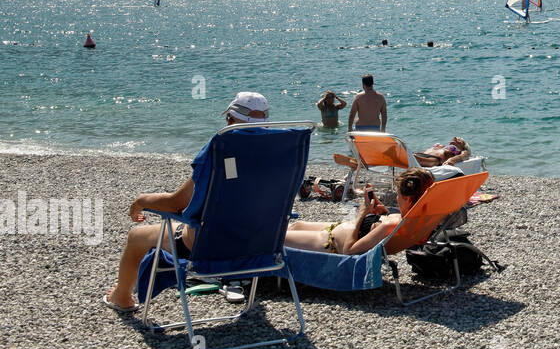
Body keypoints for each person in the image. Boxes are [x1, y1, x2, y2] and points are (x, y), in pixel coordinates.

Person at [104, 92, 269, 311]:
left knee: (136, 236)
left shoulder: (221, 149)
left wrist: (141, 201)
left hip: (210, 246)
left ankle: (121, 297)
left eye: (228, 118)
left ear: (230, 120)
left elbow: (176, 204)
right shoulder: (282, 152)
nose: (226, 122)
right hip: (263, 244)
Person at [284, 169, 433, 255]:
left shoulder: (390, 226)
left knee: (278, 238)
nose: (396, 197)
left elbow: (350, 250)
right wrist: (380, 212)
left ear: (407, 199)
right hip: (337, 229)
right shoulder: (414, 218)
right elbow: (383, 228)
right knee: (296, 225)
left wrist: (361, 214)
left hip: (329, 242)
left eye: (398, 195)